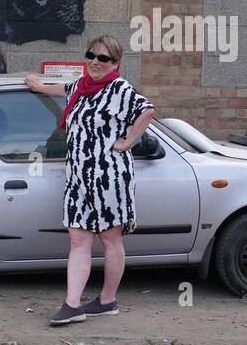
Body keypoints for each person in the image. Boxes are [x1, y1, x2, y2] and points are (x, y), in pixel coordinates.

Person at [24, 36, 156, 326]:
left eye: (103, 58)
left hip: (109, 175)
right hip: (78, 177)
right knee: (78, 239)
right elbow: (60, 89)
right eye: (91, 55)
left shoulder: (119, 89)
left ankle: (108, 300)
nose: (95, 62)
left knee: (110, 238)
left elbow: (146, 111)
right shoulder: (79, 88)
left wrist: (127, 142)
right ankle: (72, 305)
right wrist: (36, 85)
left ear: (116, 64)